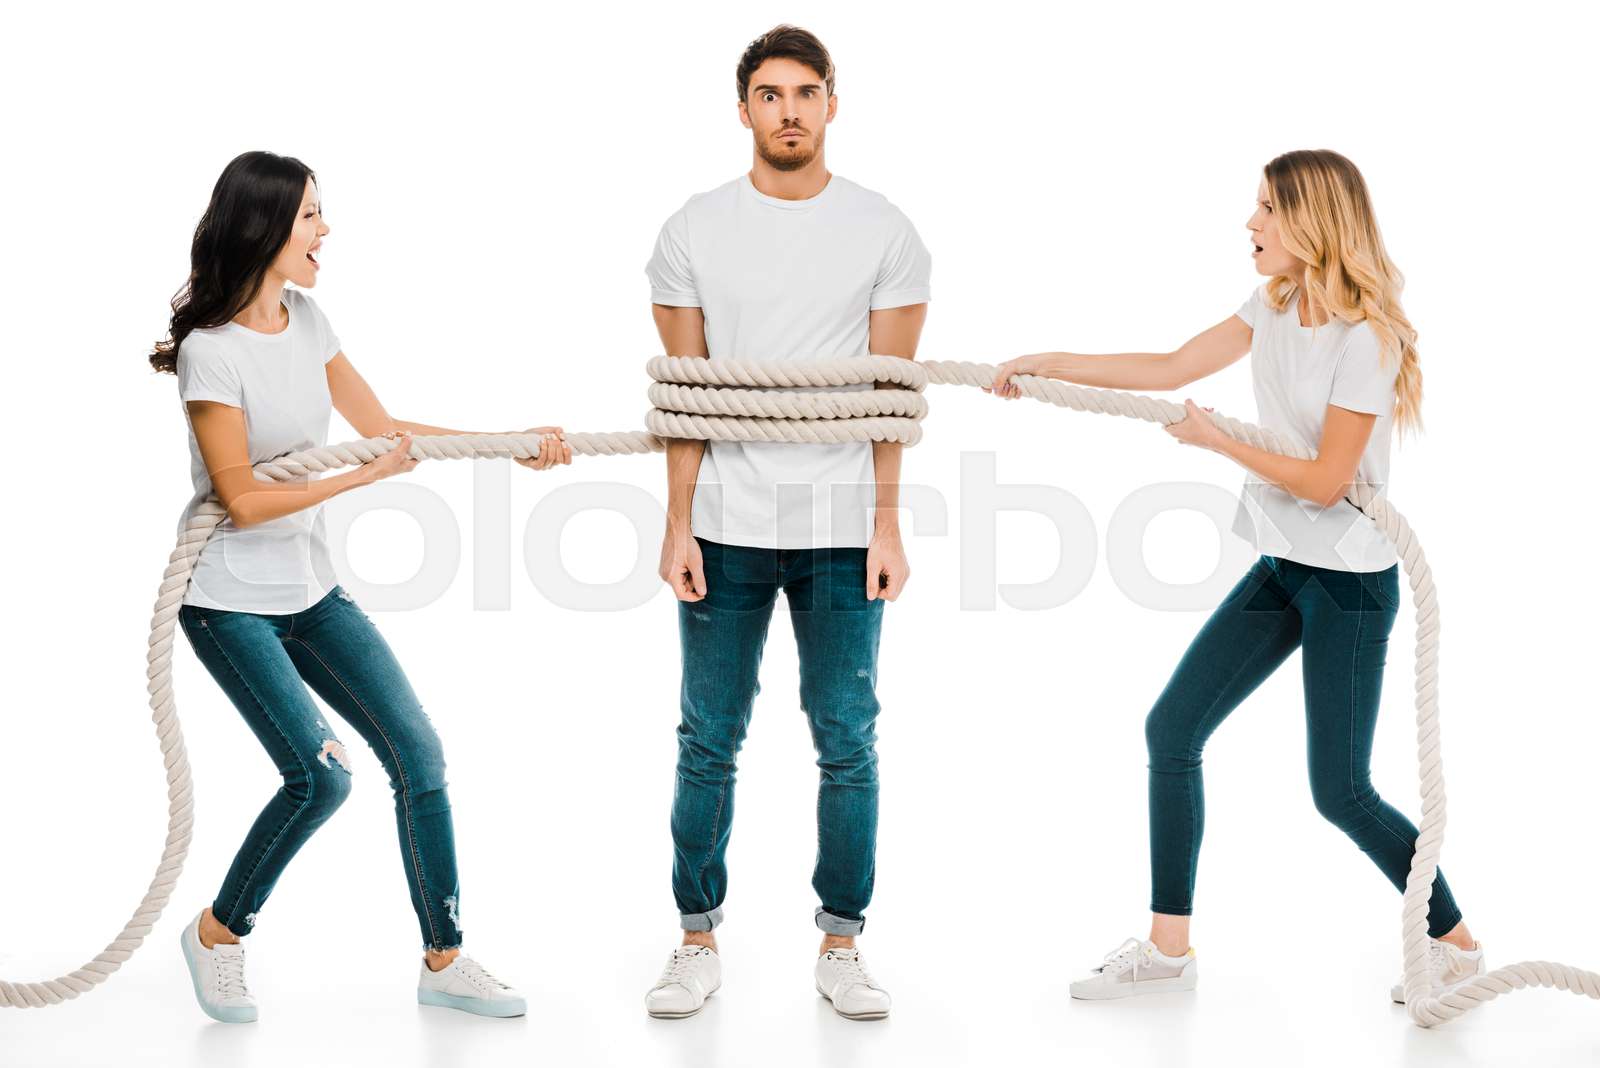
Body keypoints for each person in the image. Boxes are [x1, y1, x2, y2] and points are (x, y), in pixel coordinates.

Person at [989, 150, 1483, 1004]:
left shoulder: (1367, 340)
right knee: (1172, 729)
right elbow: (1169, 367)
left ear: (1312, 222)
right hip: (1286, 567)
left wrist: (1219, 443)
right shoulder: (1275, 303)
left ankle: (1457, 942)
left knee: (1341, 792)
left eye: (1267, 209)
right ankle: (1168, 951)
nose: (1251, 223)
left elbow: (1327, 482)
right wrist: (1048, 364)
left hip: (1349, 585)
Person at [151, 150, 572, 1022]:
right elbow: (243, 499)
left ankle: (444, 959)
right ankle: (218, 935)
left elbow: (384, 429)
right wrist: (359, 478)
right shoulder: (209, 353)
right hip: (230, 603)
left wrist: (510, 444)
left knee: (419, 756)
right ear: (265, 227)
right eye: (310, 215)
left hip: (311, 592)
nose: (325, 230)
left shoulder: (308, 319)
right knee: (321, 778)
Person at [642, 26, 931, 1021]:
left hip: (842, 529)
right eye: (770, 94)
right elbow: (685, 399)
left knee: (847, 736)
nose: (789, 111)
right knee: (708, 736)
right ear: (744, 110)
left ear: (832, 104)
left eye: (806, 92)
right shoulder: (692, 230)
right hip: (725, 525)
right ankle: (695, 940)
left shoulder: (886, 231)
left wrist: (887, 526)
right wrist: (678, 523)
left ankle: (842, 944)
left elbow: (891, 396)